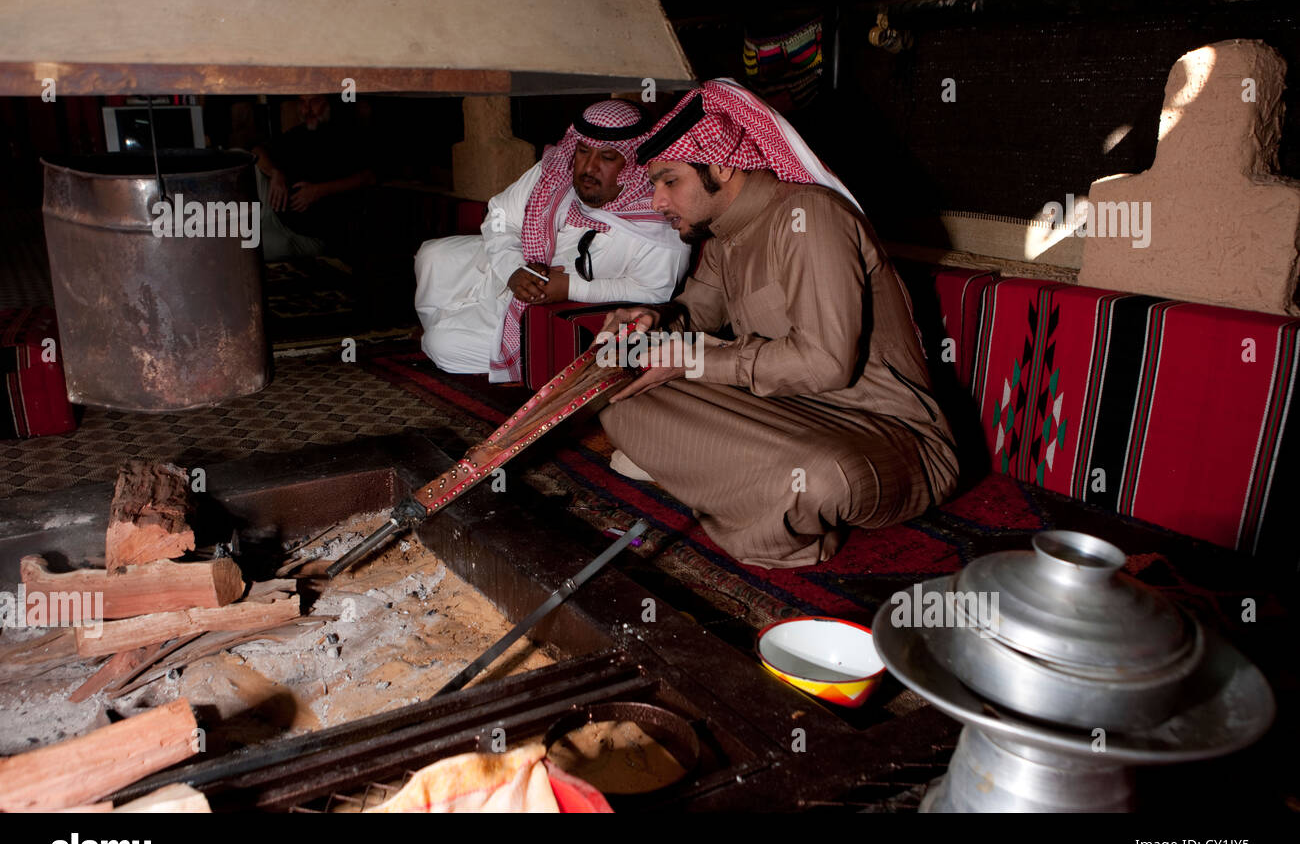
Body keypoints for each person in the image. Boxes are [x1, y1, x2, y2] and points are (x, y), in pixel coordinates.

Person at [597, 79, 959, 569]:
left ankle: (735, 495)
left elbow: (825, 365)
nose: (658, 202)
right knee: (619, 394)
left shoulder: (809, 218)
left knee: (823, 477)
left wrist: (695, 360)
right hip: (783, 414)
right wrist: (651, 322)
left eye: (668, 181)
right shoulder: (726, 236)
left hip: (883, 434)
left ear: (720, 165)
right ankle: (728, 480)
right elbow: (694, 313)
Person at [414, 100, 691, 383]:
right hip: (512, 269)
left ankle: (451, 334)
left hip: (545, 309)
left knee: (441, 344)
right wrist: (512, 268)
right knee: (432, 256)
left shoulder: (660, 219)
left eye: (607, 157)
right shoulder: (556, 171)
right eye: (583, 151)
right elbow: (498, 214)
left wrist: (572, 287)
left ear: (635, 162)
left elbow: (653, 294)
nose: (588, 167)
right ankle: (452, 323)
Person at [251, 94, 377, 259]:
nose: (307, 109)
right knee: (241, 158)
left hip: (309, 236)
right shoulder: (298, 134)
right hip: (276, 214)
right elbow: (257, 151)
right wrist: (275, 173)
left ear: (329, 103)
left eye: (315, 102)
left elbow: (370, 177)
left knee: (248, 246)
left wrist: (317, 191)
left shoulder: (346, 136)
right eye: (302, 103)